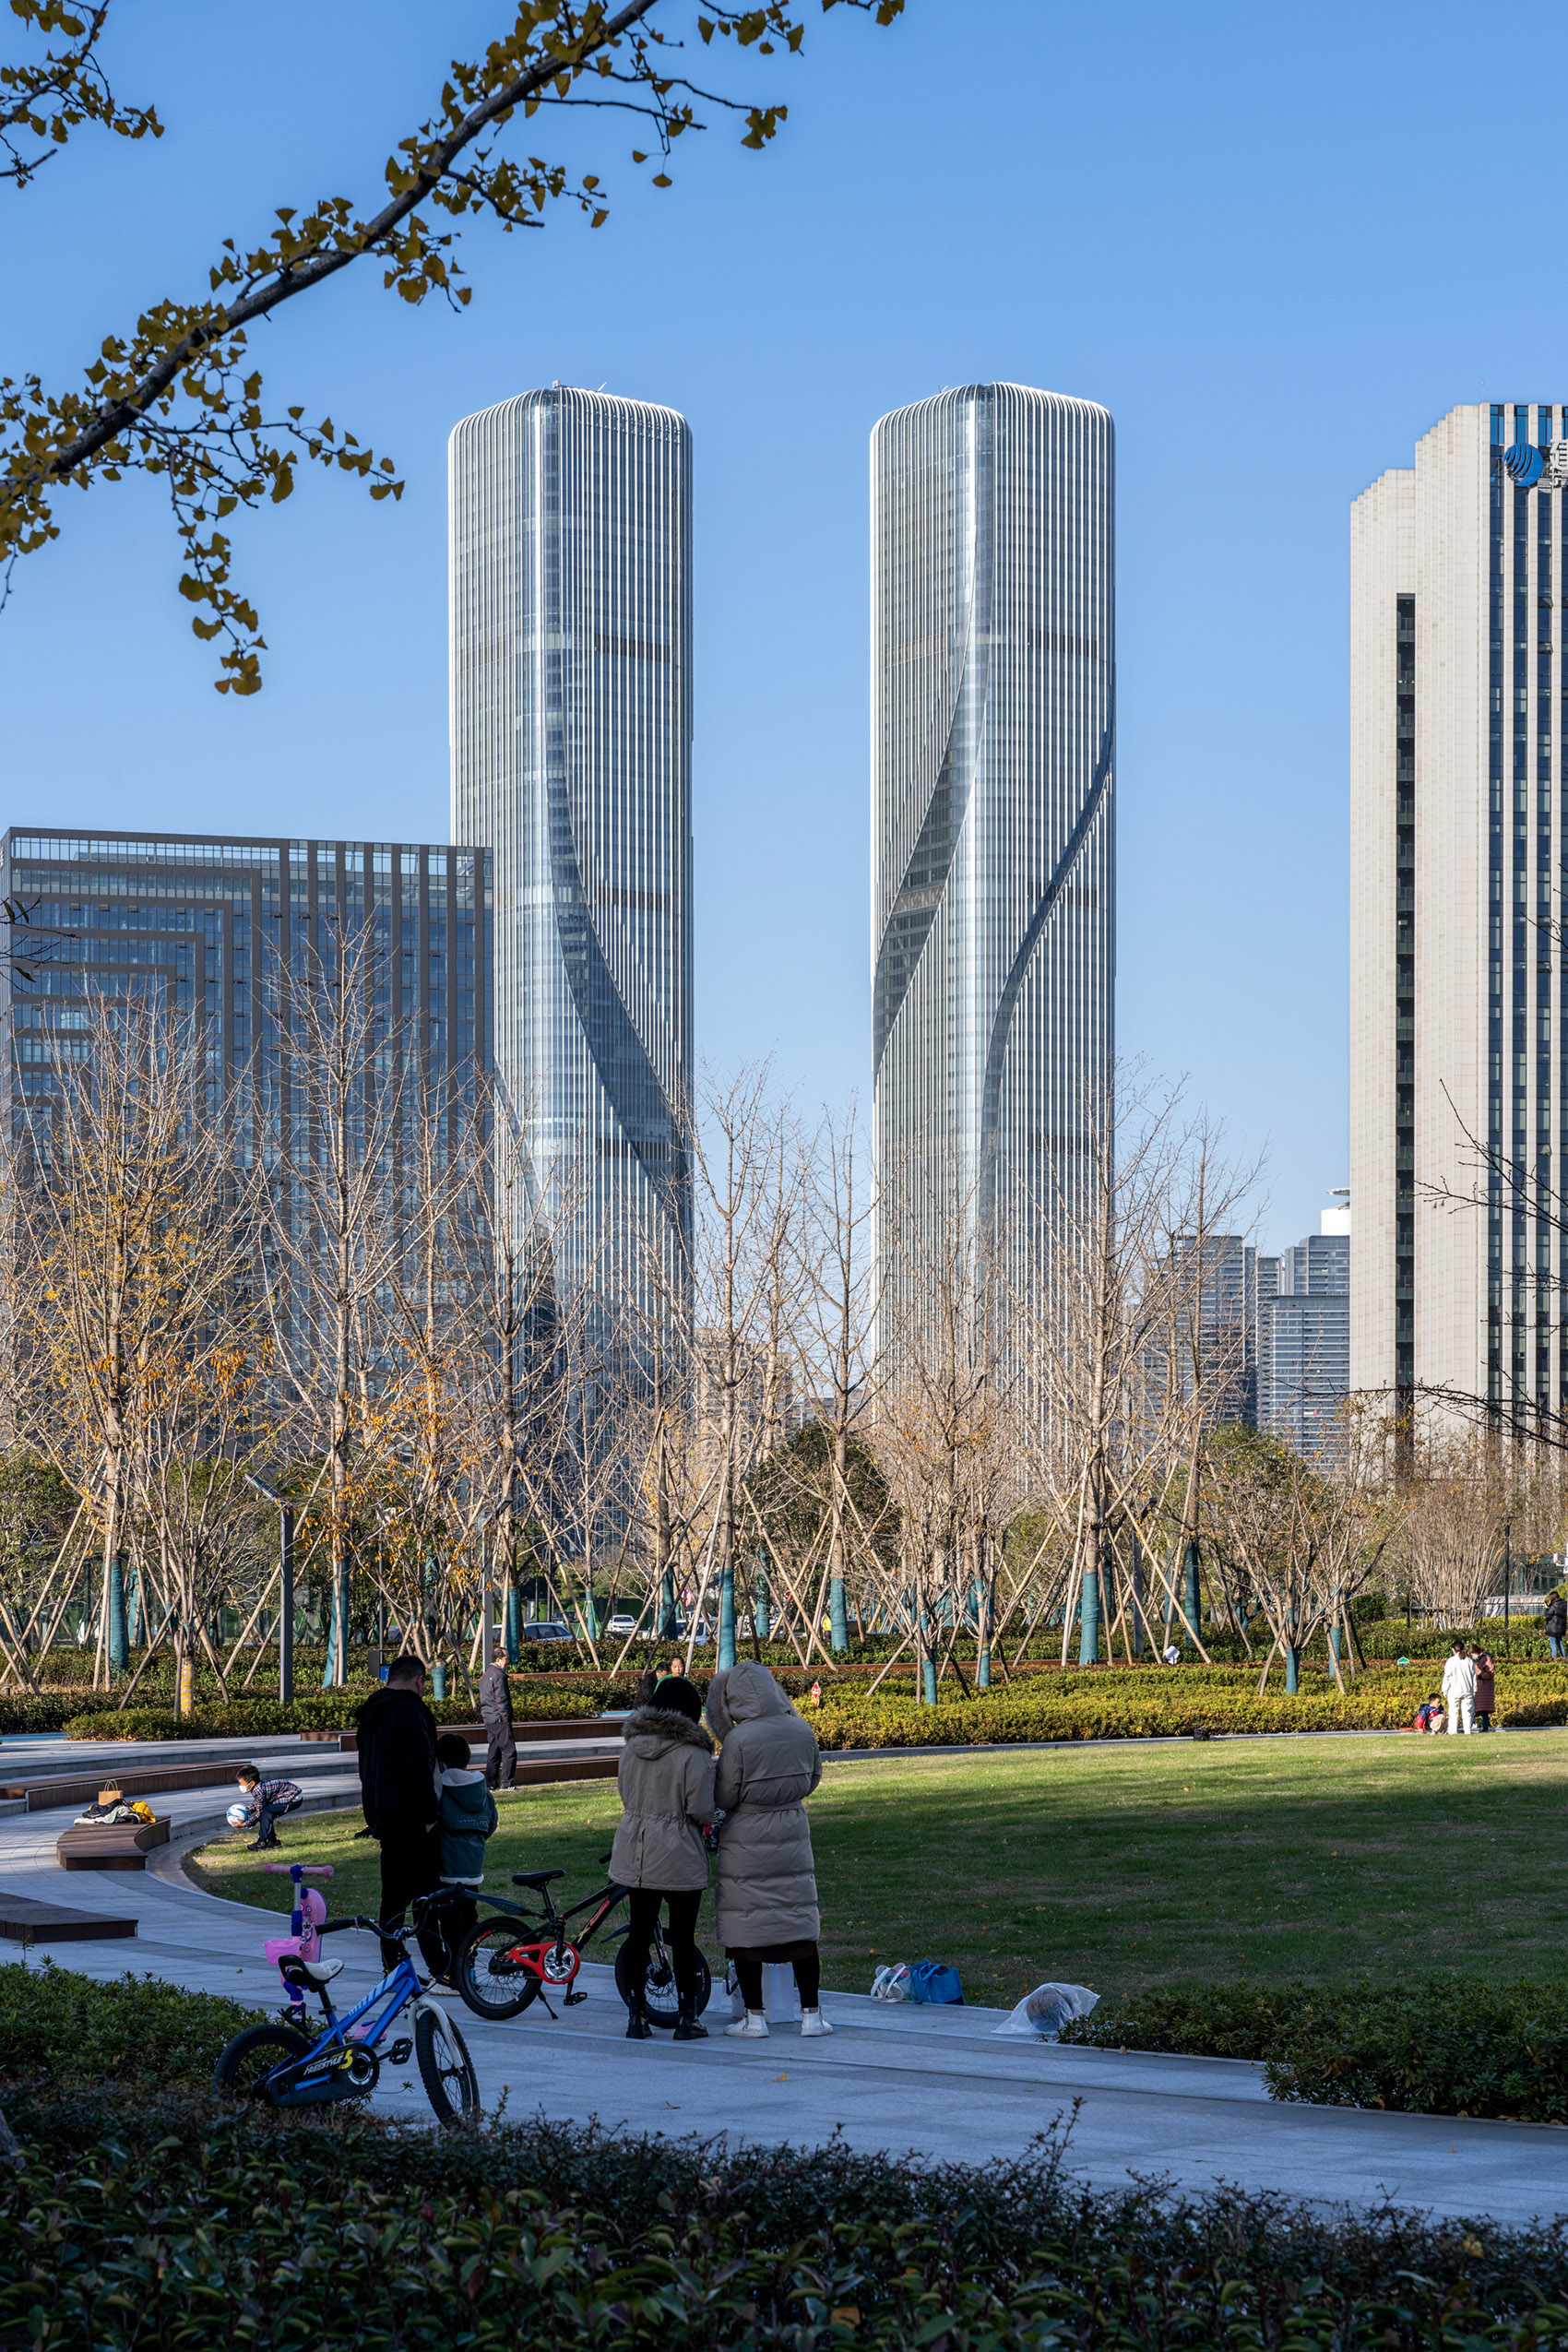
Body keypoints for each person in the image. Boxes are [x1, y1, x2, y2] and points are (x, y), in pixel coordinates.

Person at [704, 1660, 828, 2040]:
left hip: (747, 1838)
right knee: (800, 1923)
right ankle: (812, 2015)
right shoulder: (801, 1727)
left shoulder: (740, 1740)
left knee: (747, 1929)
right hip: (792, 1830)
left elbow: (725, 1795)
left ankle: (754, 2018)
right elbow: (813, 1779)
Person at [610, 1673, 717, 2042]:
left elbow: (626, 1796)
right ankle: (688, 2017)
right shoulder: (694, 1754)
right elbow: (701, 1809)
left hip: (635, 1848)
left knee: (640, 1935)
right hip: (678, 1850)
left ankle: (636, 2015)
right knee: (682, 1938)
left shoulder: (631, 1748)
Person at [356, 1652, 447, 1978]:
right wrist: (429, 1815)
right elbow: (419, 1766)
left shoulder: (372, 1711)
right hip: (413, 1819)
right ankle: (440, 1968)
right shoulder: (411, 1711)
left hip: (384, 1816)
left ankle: (392, 1964)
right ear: (420, 1681)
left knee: (393, 1897)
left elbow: (365, 1769)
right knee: (428, 1895)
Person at [435, 1730, 498, 1978]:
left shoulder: (441, 1792)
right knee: (469, 1921)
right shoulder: (483, 1794)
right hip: (473, 1871)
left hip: (446, 1871)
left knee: (449, 1924)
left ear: (441, 1764)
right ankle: (470, 1969)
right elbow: (490, 1825)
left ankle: (453, 1970)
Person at [233, 1764, 303, 1850]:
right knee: (266, 1812)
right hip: (287, 1796)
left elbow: (259, 1813)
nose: (240, 1786)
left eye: (241, 1783)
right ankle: (272, 1841)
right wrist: (247, 1811)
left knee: (266, 1813)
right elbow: (258, 1803)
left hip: (293, 1799)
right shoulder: (258, 1787)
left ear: (251, 1783)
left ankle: (262, 1842)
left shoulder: (258, 1790)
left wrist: (245, 1824)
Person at [478, 1657, 517, 1791]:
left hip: (489, 1718)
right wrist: (506, 1718)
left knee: (493, 1751)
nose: (508, 1661)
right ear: (499, 1659)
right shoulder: (499, 1675)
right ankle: (506, 1783)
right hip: (499, 1718)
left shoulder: (485, 1675)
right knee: (509, 1750)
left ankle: (491, 1783)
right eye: (506, 1658)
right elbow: (501, 1698)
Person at [1441, 1640, 1476, 1736]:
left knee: (1453, 1713)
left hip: (1454, 1691)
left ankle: (1453, 1731)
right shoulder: (1469, 1660)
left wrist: (1445, 1690)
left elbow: (1447, 1676)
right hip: (1467, 1690)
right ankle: (1467, 1731)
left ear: (1453, 1650)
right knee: (1467, 1713)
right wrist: (1474, 1690)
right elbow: (1473, 1677)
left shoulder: (1451, 1661)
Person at [1471, 1645, 1496, 1733]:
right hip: (1477, 1687)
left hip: (1485, 1688)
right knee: (1474, 1709)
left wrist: (1479, 1676)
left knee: (1483, 1710)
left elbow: (1490, 1673)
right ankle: (1469, 1727)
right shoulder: (1475, 1660)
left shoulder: (1486, 1659)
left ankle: (1485, 1729)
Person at [1545, 1586, 1567, 1661]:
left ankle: (1554, 1661)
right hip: (1560, 1628)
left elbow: (1547, 1616)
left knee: (1553, 1645)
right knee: (1560, 1645)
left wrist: (1547, 1608)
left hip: (1553, 1629)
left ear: (1552, 1598)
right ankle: (1565, 1659)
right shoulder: (1564, 1604)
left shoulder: (1553, 1606)